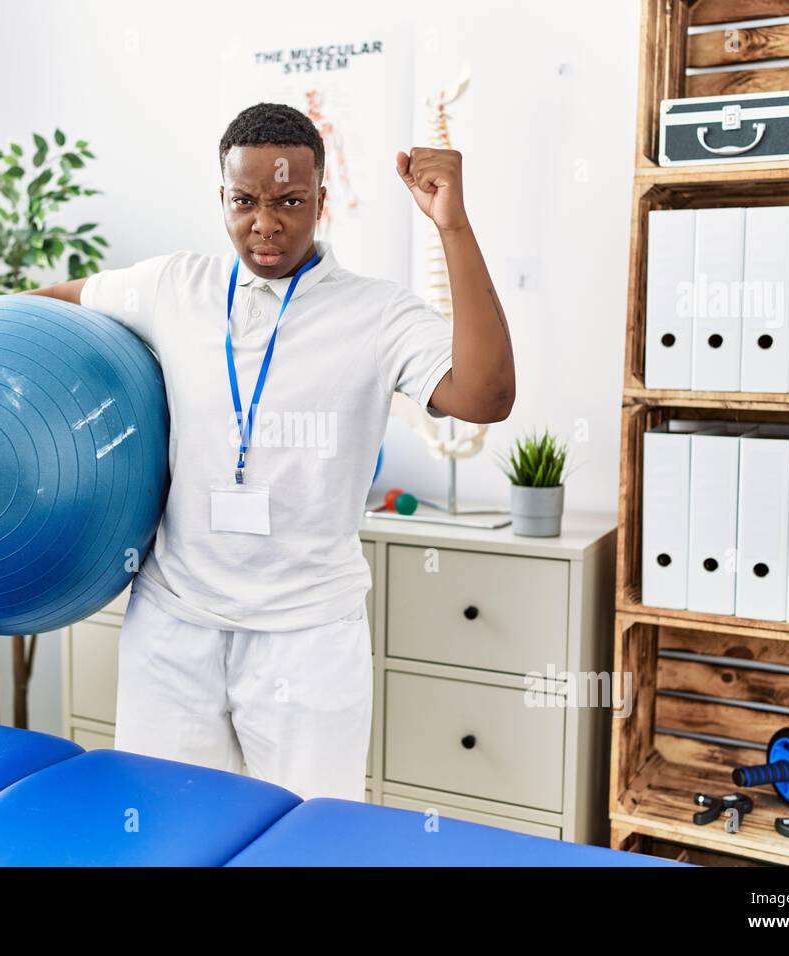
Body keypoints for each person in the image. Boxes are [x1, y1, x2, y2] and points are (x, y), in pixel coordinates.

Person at [28, 102, 514, 800]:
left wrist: (453, 227)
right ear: (221, 198)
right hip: (172, 629)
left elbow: (486, 395)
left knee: (307, 845)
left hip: (308, 637)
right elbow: (47, 308)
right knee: (165, 832)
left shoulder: (377, 313)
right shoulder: (174, 286)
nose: (266, 223)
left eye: (290, 201)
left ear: (321, 201)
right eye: (245, 201)